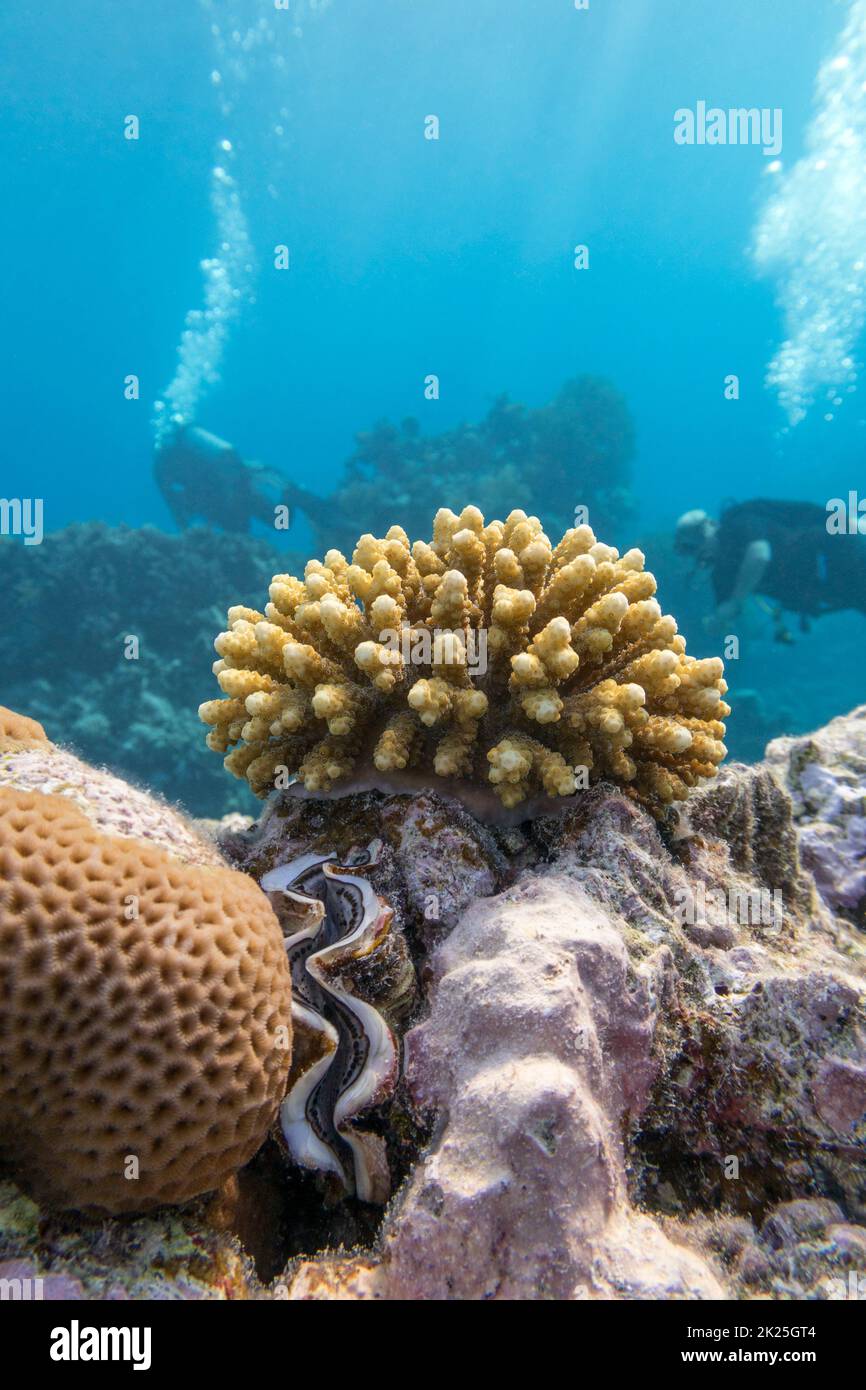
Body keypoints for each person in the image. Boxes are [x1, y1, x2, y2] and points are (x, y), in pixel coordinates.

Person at [674, 498, 866, 640]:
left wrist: (734, 601)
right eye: (691, 547)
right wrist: (715, 621)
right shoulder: (722, 572)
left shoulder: (738, 523)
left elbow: (759, 555)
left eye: (700, 538)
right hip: (826, 588)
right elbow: (725, 611)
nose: (700, 549)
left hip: (832, 558)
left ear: (711, 524)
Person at [154, 423, 295, 534]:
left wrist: (185, 529)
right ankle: (290, 493)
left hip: (227, 494)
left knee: (241, 532)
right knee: (279, 524)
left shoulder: (161, 466)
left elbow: (174, 506)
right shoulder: (187, 454)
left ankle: (290, 494)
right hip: (236, 486)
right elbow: (228, 456)